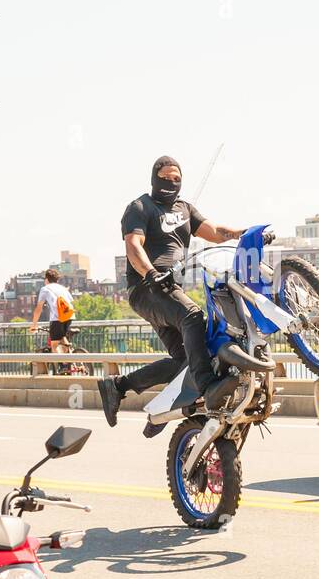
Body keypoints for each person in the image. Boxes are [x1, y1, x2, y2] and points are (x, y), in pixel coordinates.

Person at [96, 156, 244, 430]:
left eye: (176, 179)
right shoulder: (140, 207)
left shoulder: (185, 208)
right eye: (165, 177)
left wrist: (243, 234)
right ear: (154, 178)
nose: (171, 183)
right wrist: (150, 273)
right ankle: (207, 385)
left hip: (169, 288)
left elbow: (215, 232)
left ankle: (119, 386)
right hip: (146, 288)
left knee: (186, 360)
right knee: (192, 317)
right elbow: (133, 246)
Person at [29, 269, 76, 353]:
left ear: (46, 279)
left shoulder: (45, 289)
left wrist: (34, 325)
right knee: (62, 338)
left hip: (57, 318)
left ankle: (63, 364)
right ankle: (69, 363)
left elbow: (39, 308)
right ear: (57, 280)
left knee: (54, 345)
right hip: (69, 316)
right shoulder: (63, 288)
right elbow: (71, 302)